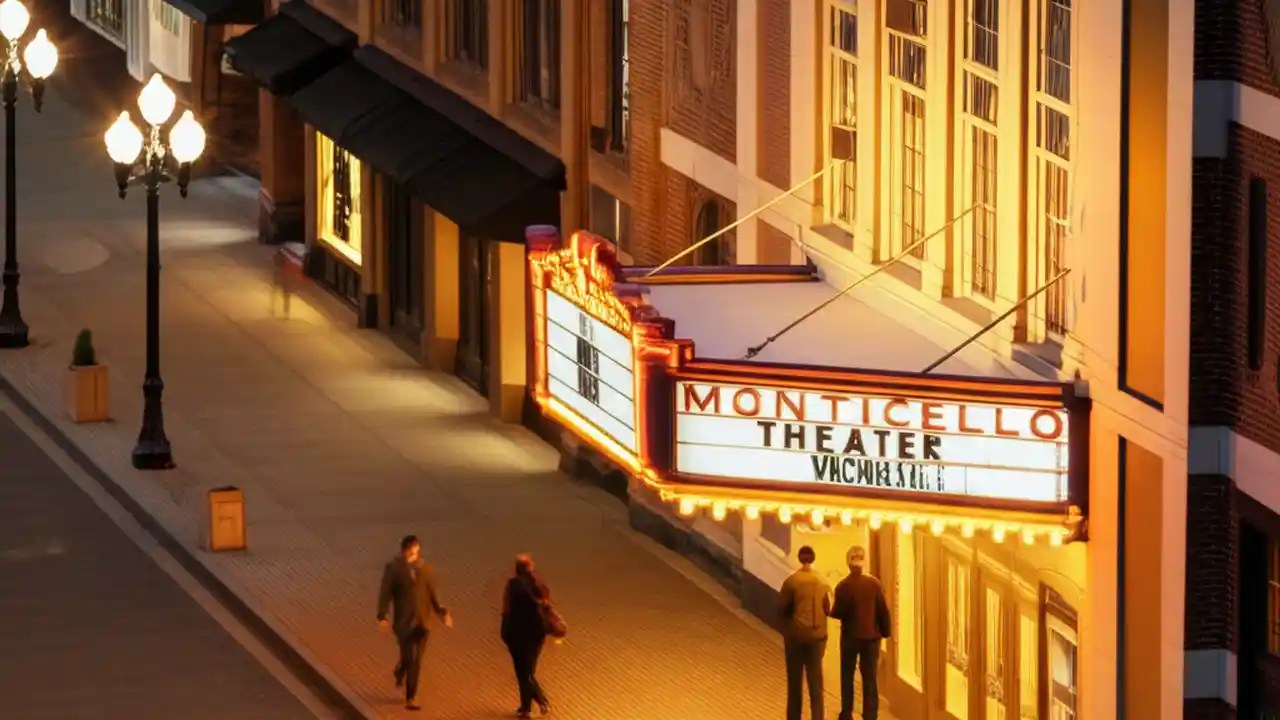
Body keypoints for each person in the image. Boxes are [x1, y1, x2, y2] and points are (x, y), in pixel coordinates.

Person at [377, 535, 452, 711]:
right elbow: (385, 593)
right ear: (404, 552)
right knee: (409, 658)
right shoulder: (394, 569)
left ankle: (411, 696)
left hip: (423, 622)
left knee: (416, 660)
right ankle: (402, 675)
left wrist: (442, 612)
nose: (414, 557)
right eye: (411, 553)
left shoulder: (426, 570)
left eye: (416, 553)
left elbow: (433, 595)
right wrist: (382, 615)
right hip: (404, 622)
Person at [830, 545, 891, 720]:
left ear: (848, 564)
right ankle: (870, 714)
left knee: (847, 675)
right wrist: (885, 631)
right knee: (870, 677)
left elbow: (837, 612)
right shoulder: (874, 584)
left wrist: (829, 607)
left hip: (850, 637)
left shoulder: (843, 586)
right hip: (871, 638)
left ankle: (847, 712)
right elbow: (882, 610)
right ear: (863, 563)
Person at [779, 545, 831, 720]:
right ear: (813, 559)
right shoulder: (823, 582)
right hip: (816, 639)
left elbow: (782, 609)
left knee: (795, 685)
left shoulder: (791, 582)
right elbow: (828, 609)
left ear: (800, 559)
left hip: (795, 638)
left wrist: (787, 629)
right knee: (816, 686)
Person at [501, 553, 552, 718]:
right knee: (528, 672)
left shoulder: (513, 585)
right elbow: (547, 605)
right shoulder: (538, 584)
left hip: (519, 636)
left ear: (517, 569)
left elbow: (507, 610)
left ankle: (540, 701)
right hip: (537, 635)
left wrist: (504, 631)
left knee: (524, 674)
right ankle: (525, 708)